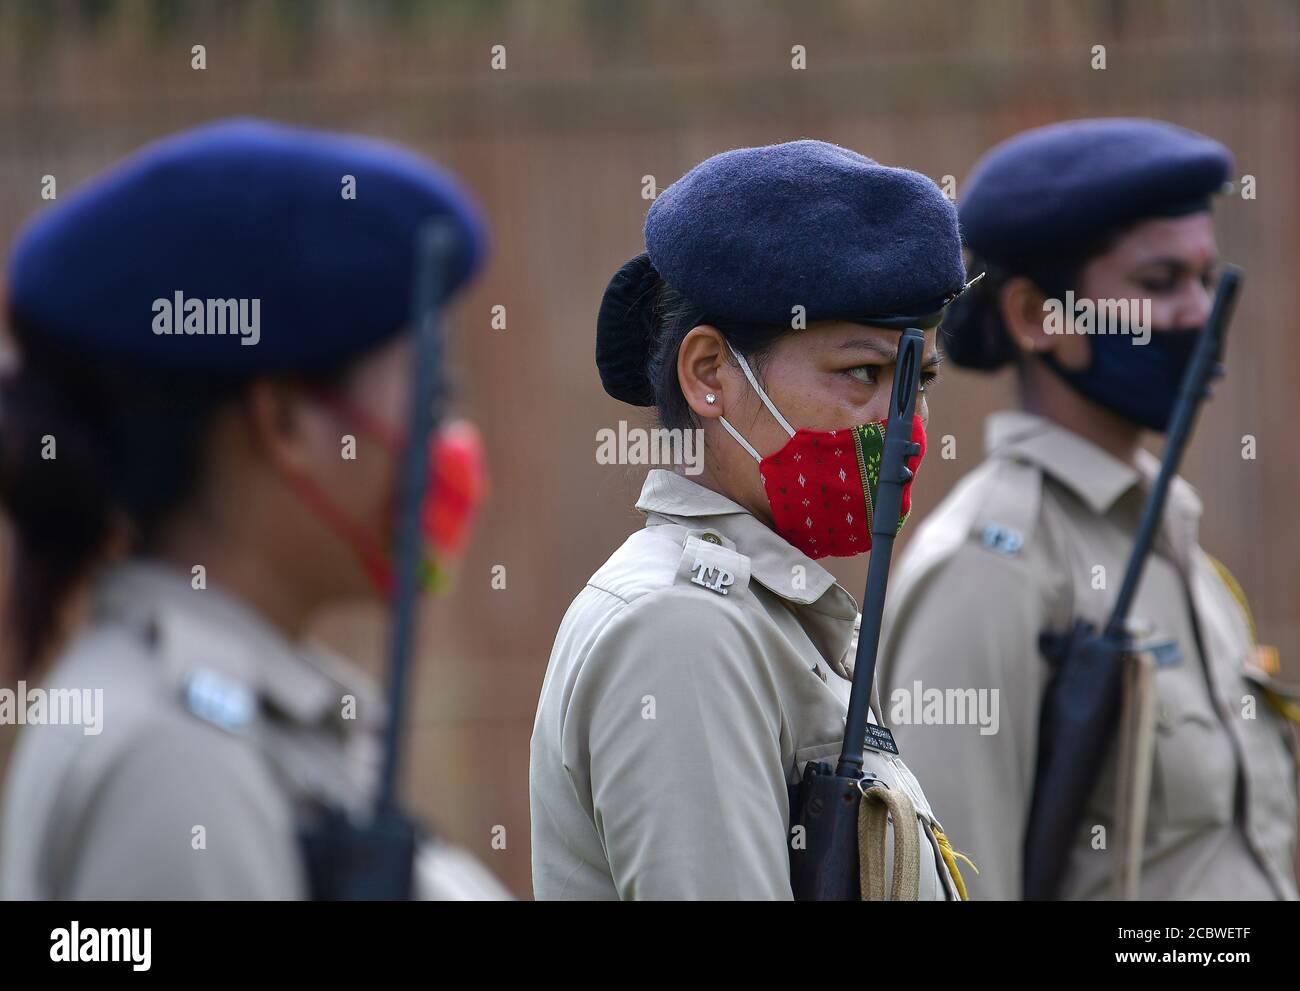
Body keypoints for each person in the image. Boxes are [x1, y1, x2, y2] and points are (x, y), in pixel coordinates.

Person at [0, 118, 510, 900]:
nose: (450, 445)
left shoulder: (251, 717)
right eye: (432, 397)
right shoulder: (174, 761)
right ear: (285, 424)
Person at [530, 139, 975, 900]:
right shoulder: (679, 630)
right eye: (863, 373)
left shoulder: (778, 621)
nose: (901, 424)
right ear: (709, 374)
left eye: (917, 380)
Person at [878, 118, 1298, 900]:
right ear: (1040, 315)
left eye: (1206, 280)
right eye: (1157, 282)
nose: (1199, 314)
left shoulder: (1176, 544)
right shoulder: (988, 568)